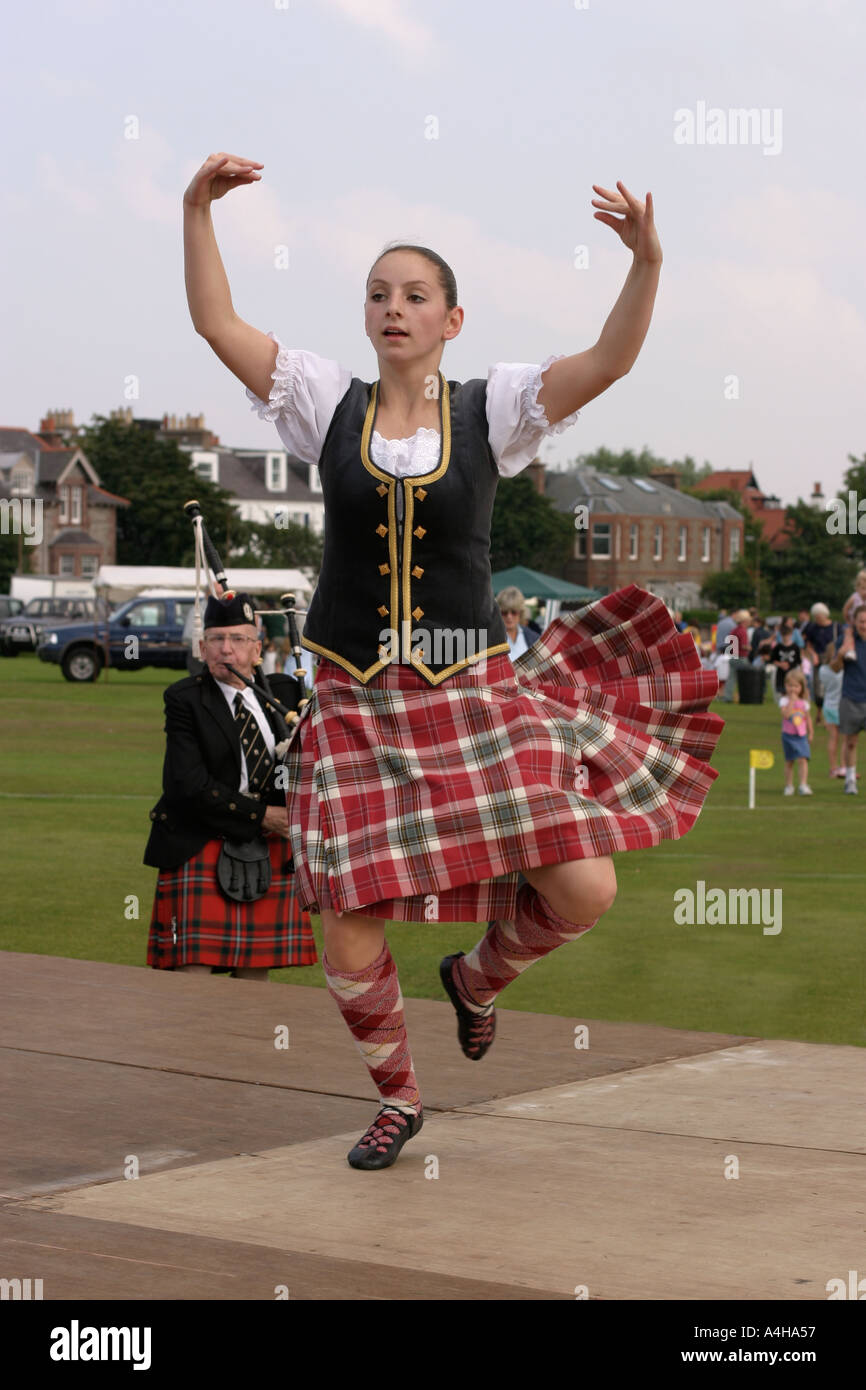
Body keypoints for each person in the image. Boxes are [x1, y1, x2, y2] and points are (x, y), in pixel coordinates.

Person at [183, 152, 722, 1169]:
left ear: (450, 321)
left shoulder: (493, 408)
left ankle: (474, 978)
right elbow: (218, 324)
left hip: (470, 695)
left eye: (415, 294)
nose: (394, 307)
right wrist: (194, 210)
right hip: (349, 697)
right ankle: (396, 1099)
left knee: (583, 890)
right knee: (343, 934)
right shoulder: (321, 402)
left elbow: (605, 362)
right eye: (379, 293)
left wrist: (644, 263)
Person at [144, 591, 318, 977]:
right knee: (194, 975)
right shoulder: (185, 698)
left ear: (257, 648)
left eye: (238, 640)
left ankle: (248, 1040)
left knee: (255, 977)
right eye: (218, 640)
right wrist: (263, 816)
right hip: (200, 840)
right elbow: (186, 785)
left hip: (267, 849)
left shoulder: (285, 695)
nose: (227, 650)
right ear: (203, 649)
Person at [827, 605, 866, 794]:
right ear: (855, 622)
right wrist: (841, 655)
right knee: (850, 742)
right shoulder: (846, 641)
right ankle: (850, 780)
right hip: (851, 698)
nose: (864, 625)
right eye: (861, 621)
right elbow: (835, 668)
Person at [802, 602, 841, 727]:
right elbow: (808, 644)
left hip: (833, 660)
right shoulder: (813, 628)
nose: (817, 619)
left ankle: (831, 716)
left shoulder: (836, 627)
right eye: (815, 617)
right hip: (819, 659)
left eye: (819, 616)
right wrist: (813, 655)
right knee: (818, 688)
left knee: (833, 688)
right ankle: (820, 713)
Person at [779, 670, 813, 796]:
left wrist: (811, 733)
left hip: (801, 735)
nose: (793, 689)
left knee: (803, 759)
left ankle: (803, 784)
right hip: (788, 735)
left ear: (801, 687)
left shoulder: (804, 703)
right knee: (789, 761)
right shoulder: (784, 701)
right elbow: (786, 715)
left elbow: (808, 718)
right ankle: (789, 786)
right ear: (785, 686)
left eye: (796, 686)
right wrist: (792, 701)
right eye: (790, 685)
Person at [496, 586, 538, 662]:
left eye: (514, 612)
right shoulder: (487, 637)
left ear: (521, 613)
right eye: (504, 612)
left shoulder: (534, 638)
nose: (509, 616)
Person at [768, 618, 802, 706]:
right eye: (784, 635)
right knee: (783, 692)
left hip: (792, 672)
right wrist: (780, 664)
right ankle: (785, 709)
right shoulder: (778, 647)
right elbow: (772, 659)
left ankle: (793, 708)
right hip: (781, 673)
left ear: (791, 635)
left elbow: (798, 661)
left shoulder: (795, 647)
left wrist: (792, 667)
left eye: (787, 635)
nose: (785, 637)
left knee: (792, 691)